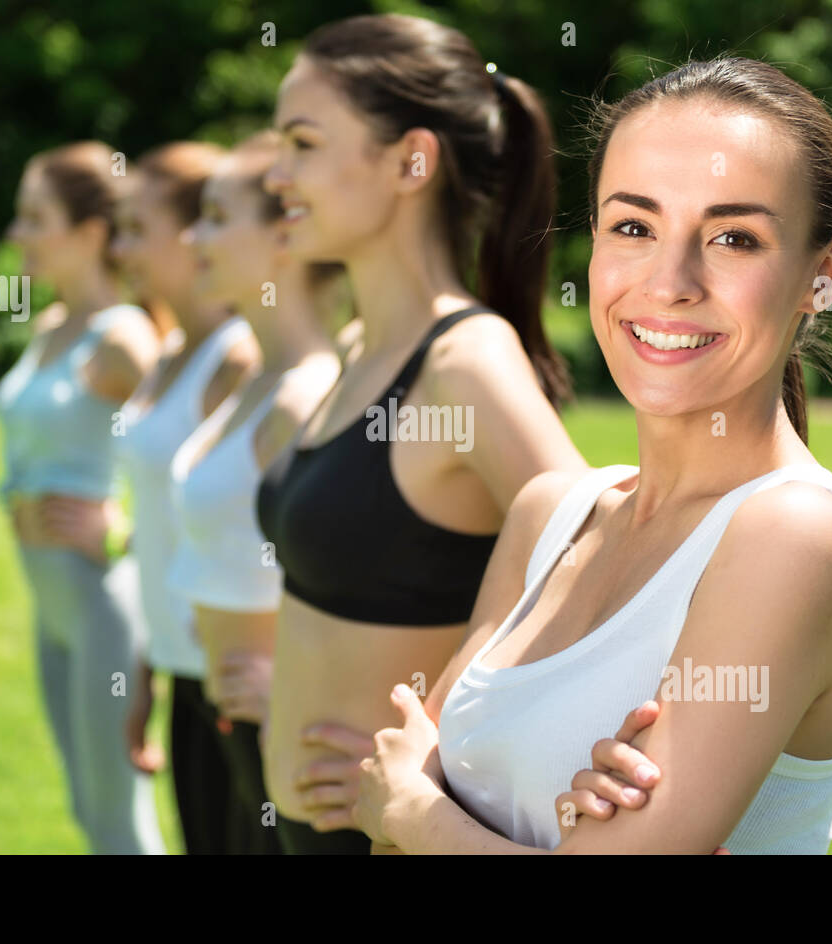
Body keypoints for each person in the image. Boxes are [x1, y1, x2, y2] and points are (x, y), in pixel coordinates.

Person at [352, 57, 832, 854]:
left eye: (734, 238)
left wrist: (412, 808)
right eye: (634, 226)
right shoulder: (550, 515)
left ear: (824, 274)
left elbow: (395, 799)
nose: (669, 283)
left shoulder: (798, 539)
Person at [256, 13, 588, 854]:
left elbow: (596, 566)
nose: (275, 175)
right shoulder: (363, 345)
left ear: (412, 160)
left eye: (301, 142)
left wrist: (433, 747)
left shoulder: (467, 360)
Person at [168, 132, 346, 854]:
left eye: (215, 215)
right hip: (226, 717)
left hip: (283, 736)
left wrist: (287, 698)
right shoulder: (255, 378)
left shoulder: (307, 397)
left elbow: (360, 590)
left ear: (284, 235)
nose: (192, 235)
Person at [0, 140, 166, 854]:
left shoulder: (121, 338)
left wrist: (123, 530)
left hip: (105, 606)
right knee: (89, 813)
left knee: (119, 821)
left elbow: (188, 456)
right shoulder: (48, 328)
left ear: (91, 234)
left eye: (35, 217)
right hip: (52, 605)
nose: (16, 235)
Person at [110, 141, 260, 853]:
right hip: (183, 666)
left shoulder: (236, 360)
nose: (121, 248)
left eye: (138, 228)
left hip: (231, 675)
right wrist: (146, 669)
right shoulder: (169, 352)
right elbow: (157, 529)